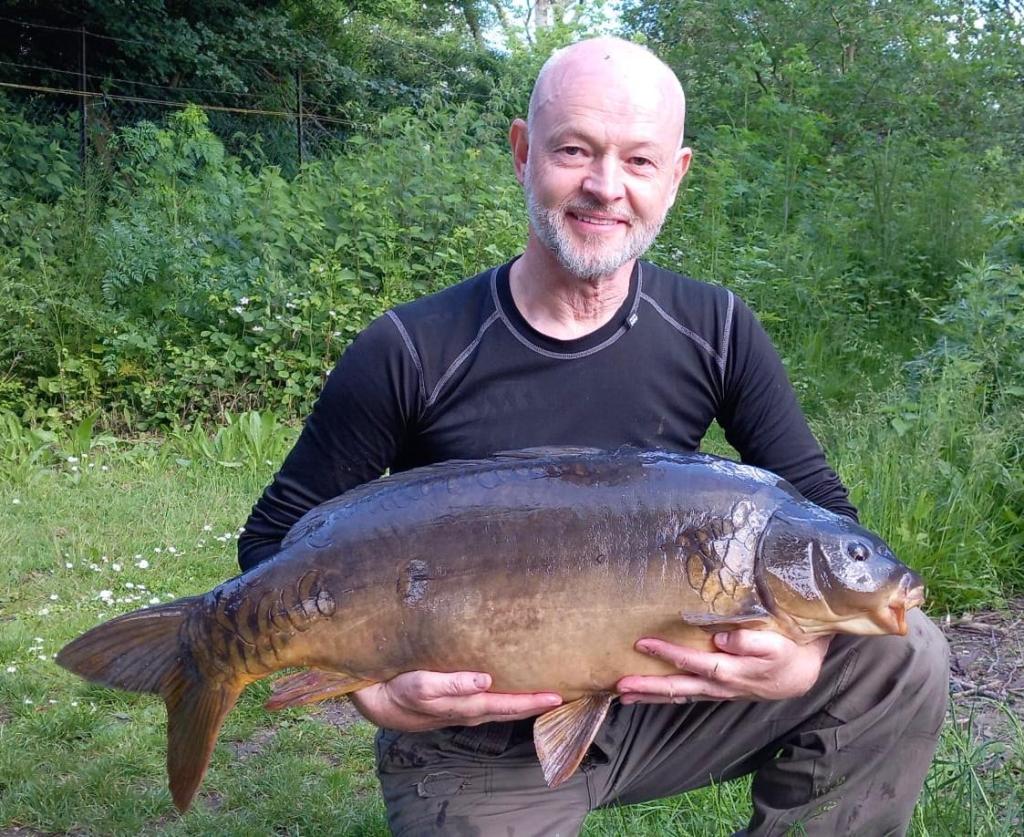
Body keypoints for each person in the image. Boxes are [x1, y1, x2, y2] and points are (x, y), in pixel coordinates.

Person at [239, 37, 948, 836]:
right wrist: (376, 692)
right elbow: (270, 544)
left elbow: (820, 511)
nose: (605, 187)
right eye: (575, 149)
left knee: (901, 652)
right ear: (522, 152)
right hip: (474, 731)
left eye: (639, 162)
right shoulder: (410, 348)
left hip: (669, 693)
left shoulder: (715, 327)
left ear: (675, 178)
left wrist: (803, 656)